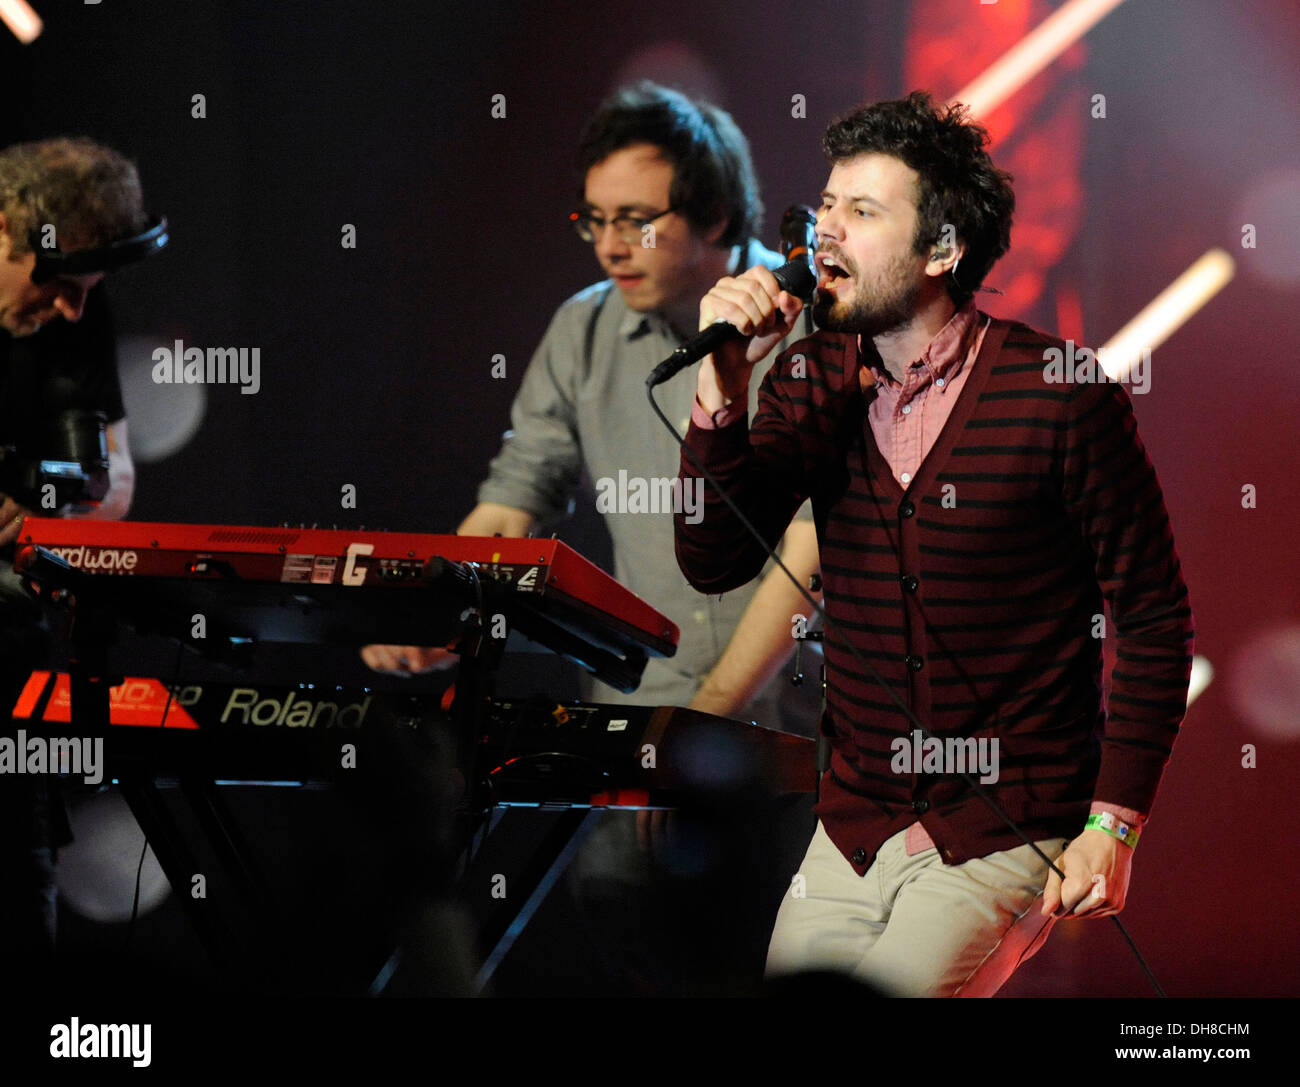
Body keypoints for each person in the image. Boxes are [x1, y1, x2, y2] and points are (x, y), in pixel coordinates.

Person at [674, 91, 1194, 997]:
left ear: (942, 250)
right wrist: (721, 389)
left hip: (1003, 829)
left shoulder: (1059, 394)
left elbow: (1152, 614)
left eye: (862, 212)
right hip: (853, 831)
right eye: (826, 206)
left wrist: (1114, 826)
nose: (822, 235)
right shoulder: (811, 375)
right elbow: (714, 558)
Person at [364, 82, 822, 995]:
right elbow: (517, 495)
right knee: (621, 909)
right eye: (596, 219)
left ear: (717, 215)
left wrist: (710, 710)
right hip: (644, 719)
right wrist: (439, 606)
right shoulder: (583, 327)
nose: (613, 243)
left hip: (802, 728)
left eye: (640, 220)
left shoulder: (809, 322)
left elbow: (820, 545)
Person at [0, 137, 157, 984]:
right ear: (0, 230)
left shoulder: (80, 317)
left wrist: (42, 513)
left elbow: (116, 478)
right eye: (58, 283)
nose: (71, 310)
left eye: (88, 291)